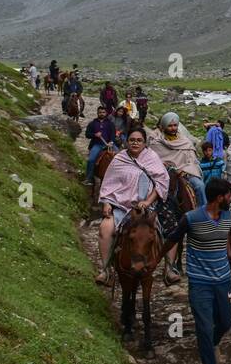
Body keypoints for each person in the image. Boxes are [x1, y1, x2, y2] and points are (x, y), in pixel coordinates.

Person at [163, 177, 231, 364]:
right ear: (219, 197)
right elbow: (172, 239)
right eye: (229, 195)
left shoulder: (228, 216)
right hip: (200, 283)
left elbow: (223, 239)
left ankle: (211, 344)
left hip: (224, 280)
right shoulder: (191, 218)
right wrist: (161, 260)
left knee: (225, 323)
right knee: (204, 327)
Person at [96, 127, 169, 286]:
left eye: (139, 140)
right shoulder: (119, 158)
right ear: (127, 141)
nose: (135, 143)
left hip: (146, 207)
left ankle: (169, 268)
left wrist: (148, 201)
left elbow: (162, 182)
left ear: (145, 143)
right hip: (121, 205)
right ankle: (106, 269)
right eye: (132, 140)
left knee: (168, 228)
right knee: (105, 228)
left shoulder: (152, 158)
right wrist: (107, 202)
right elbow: (109, 182)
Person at [147, 112, 207, 210]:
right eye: (170, 126)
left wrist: (185, 170)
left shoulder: (185, 141)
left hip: (186, 172)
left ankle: (203, 213)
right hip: (163, 173)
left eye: (175, 125)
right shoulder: (155, 141)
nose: (173, 128)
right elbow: (152, 159)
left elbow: (192, 160)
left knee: (199, 186)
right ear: (163, 126)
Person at [83, 107, 115, 185]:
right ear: (97, 113)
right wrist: (95, 135)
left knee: (119, 158)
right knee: (91, 160)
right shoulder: (92, 123)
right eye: (100, 112)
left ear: (106, 113)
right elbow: (87, 134)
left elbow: (113, 134)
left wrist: (111, 141)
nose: (102, 114)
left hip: (108, 145)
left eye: (103, 112)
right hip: (97, 144)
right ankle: (89, 179)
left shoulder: (110, 123)